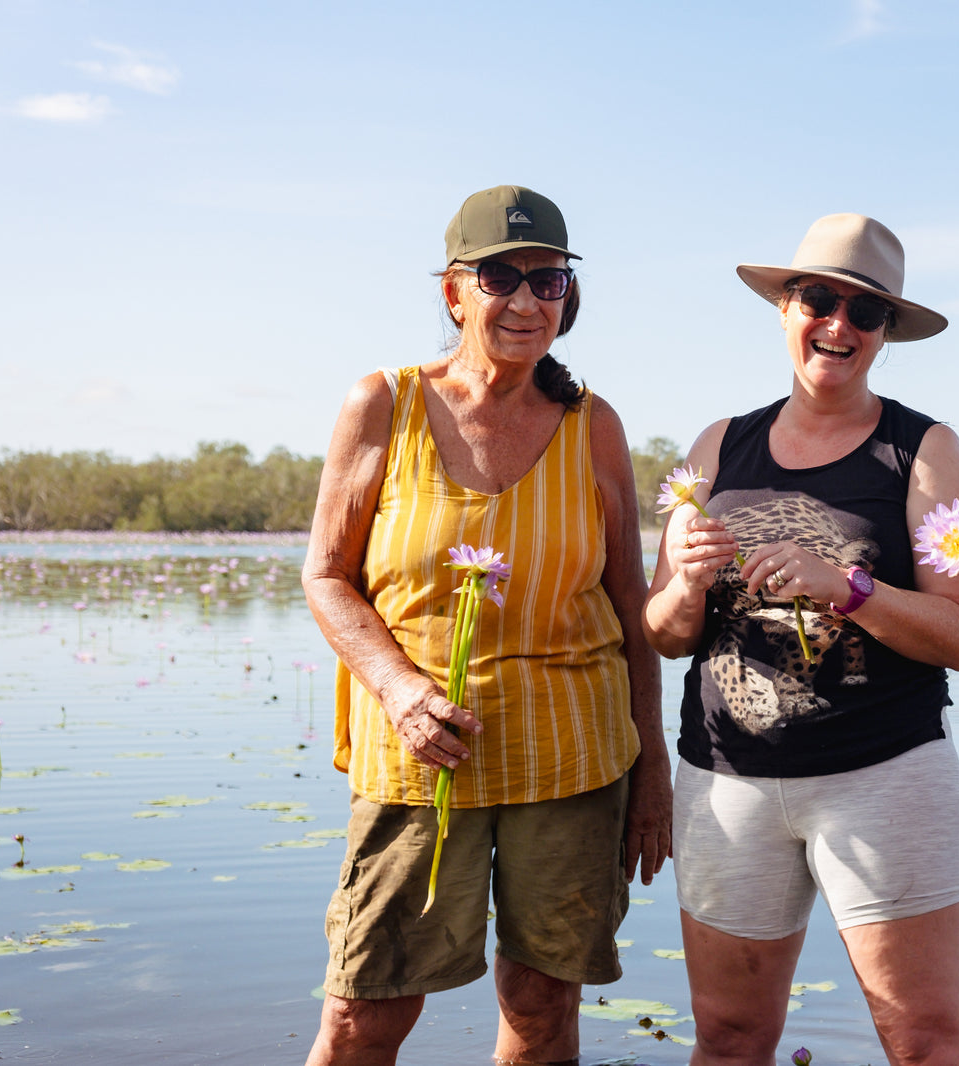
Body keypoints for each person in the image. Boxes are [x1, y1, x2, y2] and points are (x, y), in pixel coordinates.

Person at [300, 185, 671, 1066]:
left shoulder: (594, 425)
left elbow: (630, 609)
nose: (526, 301)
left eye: (549, 280)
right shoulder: (383, 404)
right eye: (500, 277)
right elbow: (325, 575)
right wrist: (398, 689)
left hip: (573, 760)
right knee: (365, 1014)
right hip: (421, 757)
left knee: (542, 1006)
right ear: (454, 292)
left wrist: (651, 766)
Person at [644, 214, 959, 1066]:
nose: (838, 325)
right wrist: (686, 583)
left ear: (885, 334)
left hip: (884, 779)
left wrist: (854, 589)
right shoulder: (718, 445)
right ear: (785, 307)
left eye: (864, 313)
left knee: (924, 1038)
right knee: (728, 1039)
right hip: (727, 785)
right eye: (819, 300)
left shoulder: (927, 451)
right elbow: (662, 633)